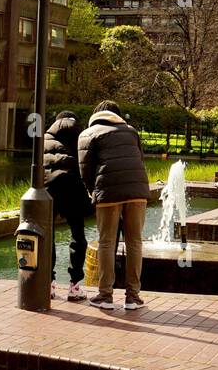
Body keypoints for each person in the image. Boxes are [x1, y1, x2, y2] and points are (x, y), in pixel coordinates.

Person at [77, 100, 149, 311]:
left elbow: (85, 169)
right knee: (135, 242)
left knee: (107, 243)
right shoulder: (131, 131)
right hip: (137, 191)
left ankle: (106, 296)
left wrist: (93, 191)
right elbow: (140, 160)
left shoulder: (88, 134)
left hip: (108, 191)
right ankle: (133, 297)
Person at [42, 110, 90, 301]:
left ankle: (48, 284)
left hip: (48, 190)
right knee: (78, 235)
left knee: (48, 236)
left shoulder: (44, 137)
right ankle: (75, 286)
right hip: (73, 187)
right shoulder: (81, 135)